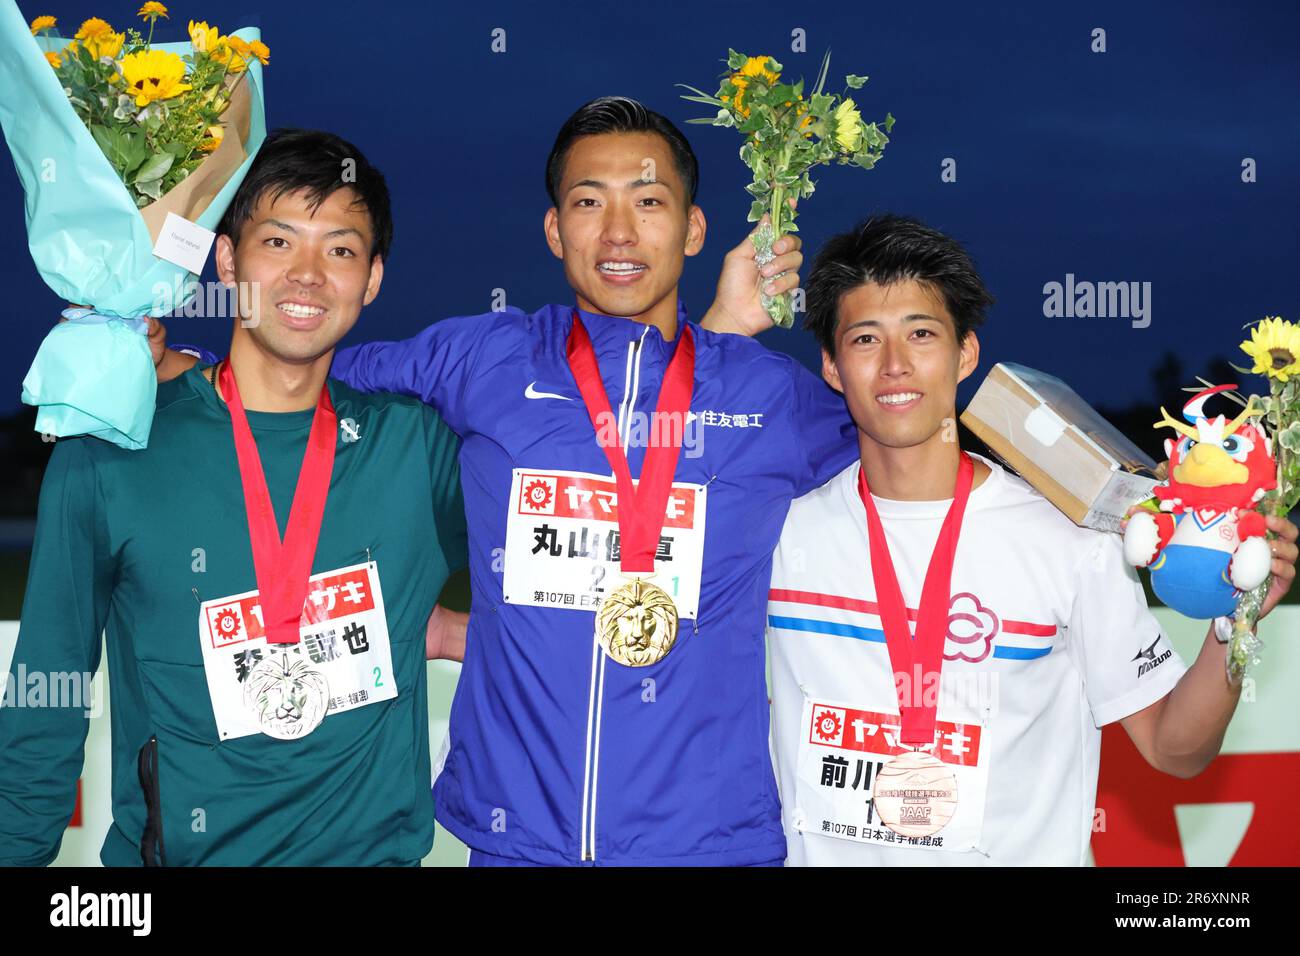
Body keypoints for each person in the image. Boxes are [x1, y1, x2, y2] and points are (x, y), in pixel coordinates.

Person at [161, 96, 850, 866]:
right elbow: (299, 377)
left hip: (708, 845)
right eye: (589, 202)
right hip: (514, 842)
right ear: (556, 230)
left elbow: (915, 445)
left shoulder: (768, 396)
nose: (619, 232)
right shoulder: (483, 359)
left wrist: (719, 337)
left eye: (649, 202)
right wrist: (171, 362)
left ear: (694, 230)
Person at [758, 214, 1298, 865]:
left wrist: (1232, 625)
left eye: (921, 334)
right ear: (833, 366)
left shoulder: (1067, 538)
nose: (895, 365)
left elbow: (1174, 750)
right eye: (866, 338)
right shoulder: (782, 536)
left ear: (965, 354)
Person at [0, 129, 468, 866]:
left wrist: (447, 630)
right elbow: (46, 697)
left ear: (373, 278)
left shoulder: (417, 449)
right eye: (278, 242)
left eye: (341, 250)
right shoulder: (114, 451)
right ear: (226, 259)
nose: (308, 275)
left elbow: (576, 509)